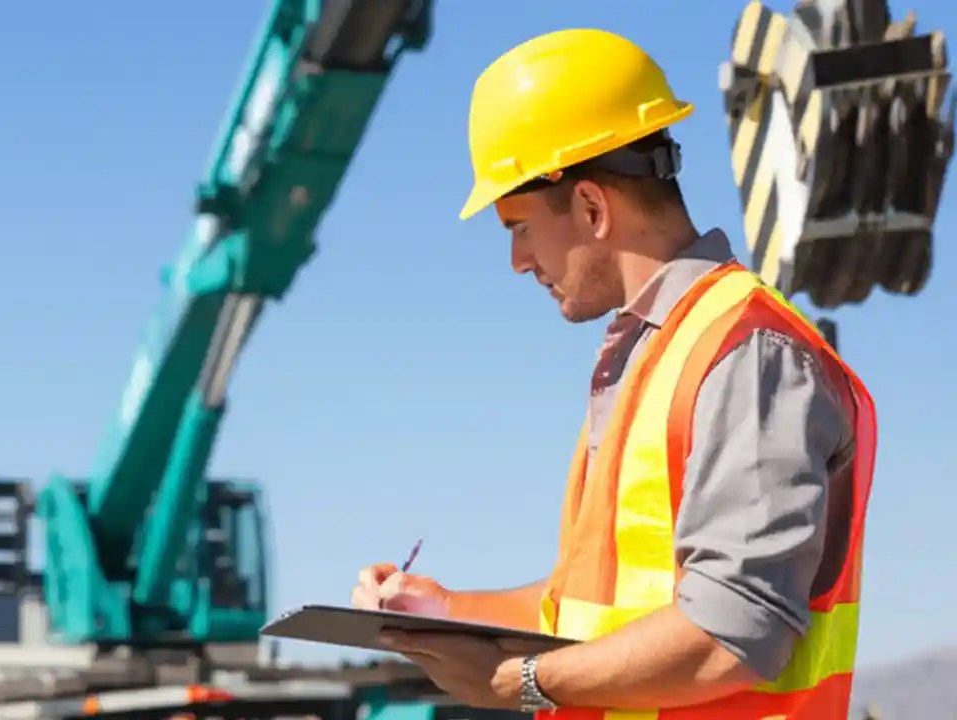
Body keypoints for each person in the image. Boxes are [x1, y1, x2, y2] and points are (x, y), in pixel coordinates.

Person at [350, 28, 877, 719]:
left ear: (593, 208)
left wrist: (522, 680)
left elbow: (733, 630)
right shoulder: (658, 356)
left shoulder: (743, 352)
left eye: (518, 225)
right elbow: (593, 606)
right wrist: (441, 609)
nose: (516, 260)